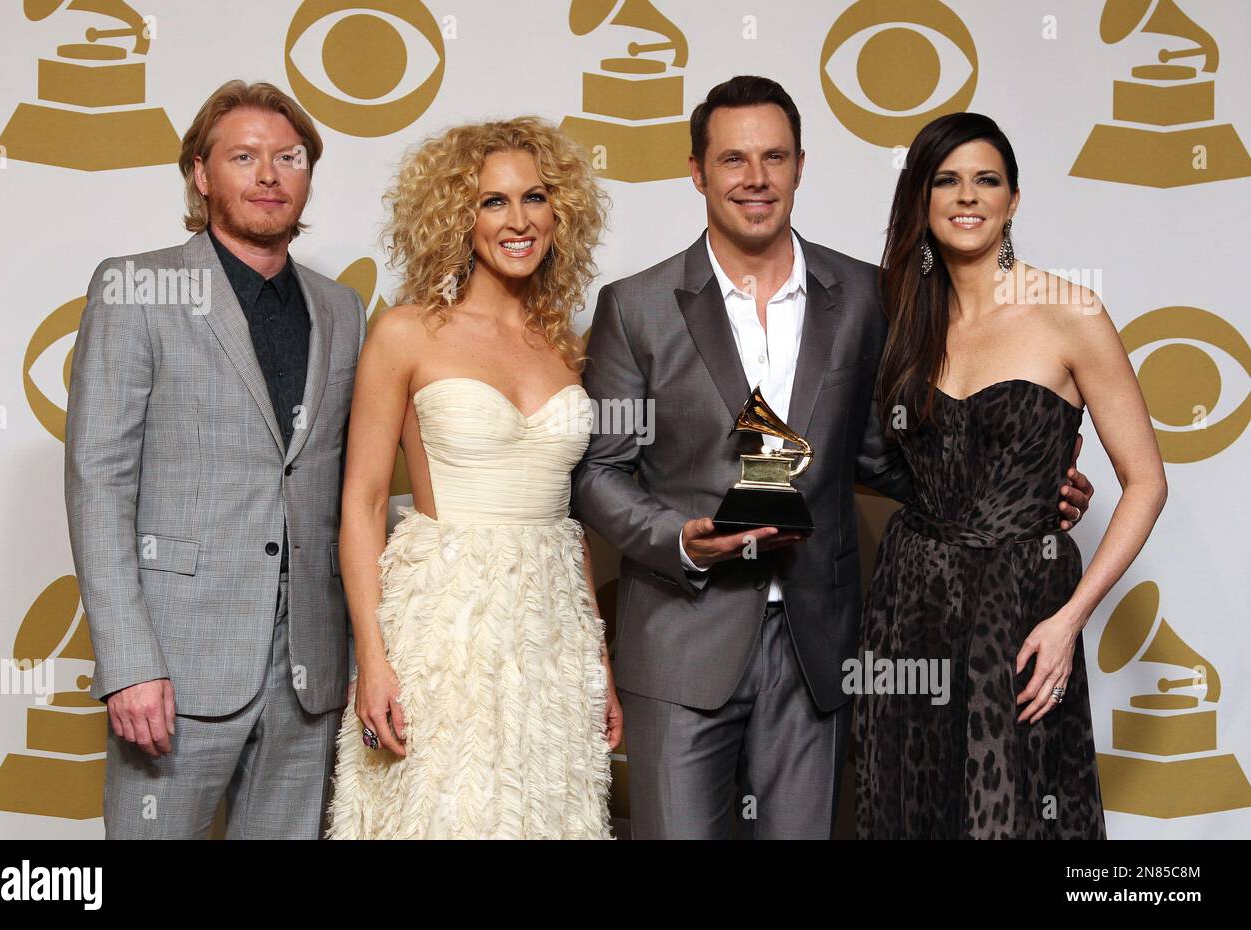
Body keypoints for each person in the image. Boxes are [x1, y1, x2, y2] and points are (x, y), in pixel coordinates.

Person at [571, 77, 1095, 839]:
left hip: (820, 647)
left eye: (774, 157)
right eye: (733, 160)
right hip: (682, 644)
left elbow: (891, 453)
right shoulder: (637, 306)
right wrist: (678, 538)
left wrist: (1018, 490)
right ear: (696, 171)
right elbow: (596, 474)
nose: (756, 178)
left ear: (801, 166)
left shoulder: (863, 294)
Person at [65, 80, 366, 839]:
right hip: (176, 665)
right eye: (244, 156)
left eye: (288, 158)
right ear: (201, 175)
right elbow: (98, 482)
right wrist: (129, 662)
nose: (269, 175)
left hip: (309, 672)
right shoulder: (137, 289)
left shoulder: (342, 310)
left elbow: (335, 486)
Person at [855, 112, 1167, 839]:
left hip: (1023, 605)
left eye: (986, 181)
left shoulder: (1072, 314)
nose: (968, 198)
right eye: (947, 181)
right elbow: (888, 460)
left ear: (1014, 199)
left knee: (1013, 809)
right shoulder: (901, 315)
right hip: (909, 601)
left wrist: (1069, 621)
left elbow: (1146, 481)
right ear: (922, 200)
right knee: (909, 803)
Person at [325, 117, 618, 839]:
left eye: (534, 199)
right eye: (493, 202)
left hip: (553, 630)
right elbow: (361, 505)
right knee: (438, 813)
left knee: (547, 814)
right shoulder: (405, 333)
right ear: (459, 216)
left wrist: (600, 659)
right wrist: (372, 658)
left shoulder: (567, 347)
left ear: (560, 212)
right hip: (442, 623)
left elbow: (568, 518)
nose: (518, 221)